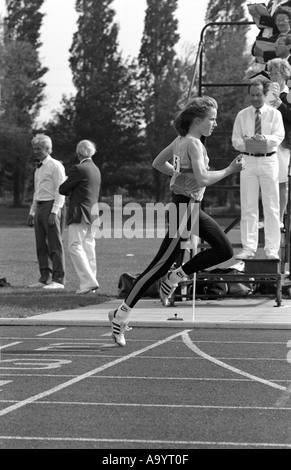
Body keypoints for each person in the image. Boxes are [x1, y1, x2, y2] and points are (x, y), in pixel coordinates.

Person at [108, 96, 244, 347]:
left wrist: (179, 173)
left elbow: (158, 163)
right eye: (212, 119)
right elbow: (203, 179)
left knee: (224, 250)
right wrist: (229, 171)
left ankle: (174, 277)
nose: (215, 124)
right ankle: (120, 315)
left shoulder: (182, 141)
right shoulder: (193, 144)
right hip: (183, 207)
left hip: (190, 207)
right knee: (157, 266)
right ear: (198, 120)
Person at [232, 79, 285, 260]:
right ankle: (249, 248)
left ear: (265, 94)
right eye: (252, 94)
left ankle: (272, 250)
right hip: (248, 161)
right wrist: (248, 142)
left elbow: (279, 136)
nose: (255, 98)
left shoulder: (274, 114)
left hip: (269, 160)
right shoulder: (242, 115)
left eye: (258, 95)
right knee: (248, 206)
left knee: (272, 207)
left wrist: (264, 139)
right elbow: (235, 141)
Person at [59, 140, 101, 294]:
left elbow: (62, 188)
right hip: (93, 213)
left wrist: (70, 193)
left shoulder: (78, 168)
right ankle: (91, 284)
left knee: (75, 246)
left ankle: (88, 282)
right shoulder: (96, 169)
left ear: (78, 153)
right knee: (89, 246)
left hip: (80, 213)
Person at [27, 134, 66, 289]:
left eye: (39, 149)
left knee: (55, 244)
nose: (36, 152)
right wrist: (32, 212)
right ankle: (44, 277)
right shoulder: (38, 168)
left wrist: (55, 211)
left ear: (48, 149)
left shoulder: (56, 166)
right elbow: (37, 191)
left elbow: (60, 190)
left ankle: (58, 280)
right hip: (40, 206)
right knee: (41, 244)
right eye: (34, 149)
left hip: (51, 205)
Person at [267, 58, 291, 228]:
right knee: (267, 182)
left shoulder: (289, 93)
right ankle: (269, 217)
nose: (273, 76)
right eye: (271, 73)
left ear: (284, 74)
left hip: (284, 143)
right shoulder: (268, 92)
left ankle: (280, 219)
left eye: (276, 72)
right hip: (268, 142)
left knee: (282, 182)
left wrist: (281, 105)